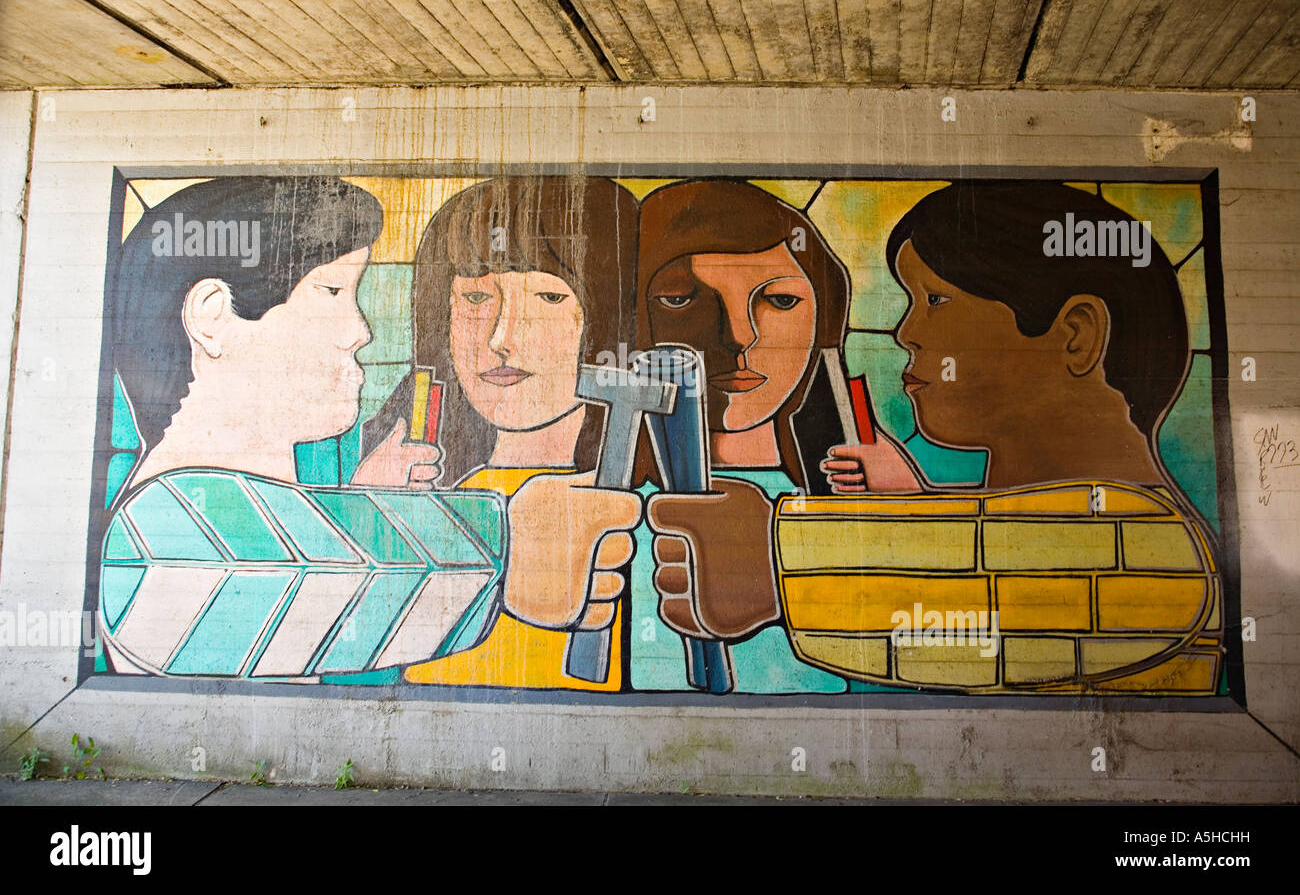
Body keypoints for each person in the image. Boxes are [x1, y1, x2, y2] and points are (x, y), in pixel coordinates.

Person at [647, 180, 1223, 694]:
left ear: (1075, 336)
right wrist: (917, 505)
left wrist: (775, 562)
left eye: (936, 300)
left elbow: (983, 612)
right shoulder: (1077, 536)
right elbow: (994, 568)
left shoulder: (1160, 551)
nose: (906, 330)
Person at [97, 176, 638, 679]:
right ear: (214, 316)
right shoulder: (158, 536)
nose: (360, 330)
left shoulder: (247, 516)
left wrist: (370, 509)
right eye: (332, 292)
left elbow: (302, 570)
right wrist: (506, 552)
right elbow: (209, 569)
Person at [630, 179, 905, 693]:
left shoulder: (862, 489)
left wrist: (908, 513)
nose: (737, 335)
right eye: (681, 299)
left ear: (826, 320)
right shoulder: (607, 509)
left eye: (779, 300)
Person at [375, 176, 641, 690]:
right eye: (475, 298)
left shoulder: (648, 508)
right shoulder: (406, 485)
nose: (501, 338)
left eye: (547, 296)